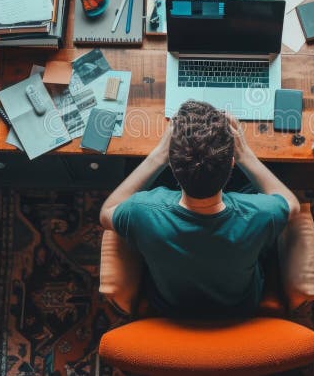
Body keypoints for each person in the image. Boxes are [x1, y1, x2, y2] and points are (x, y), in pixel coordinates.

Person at [99, 100, 300, 317]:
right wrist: (246, 155)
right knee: (256, 184)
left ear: (172, 165)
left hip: (172, 307)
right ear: (232, 163)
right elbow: (292, 204)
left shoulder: (142, 211)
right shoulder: (259, 213)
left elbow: (107, 212)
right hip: (237, 307)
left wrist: (157, 155)